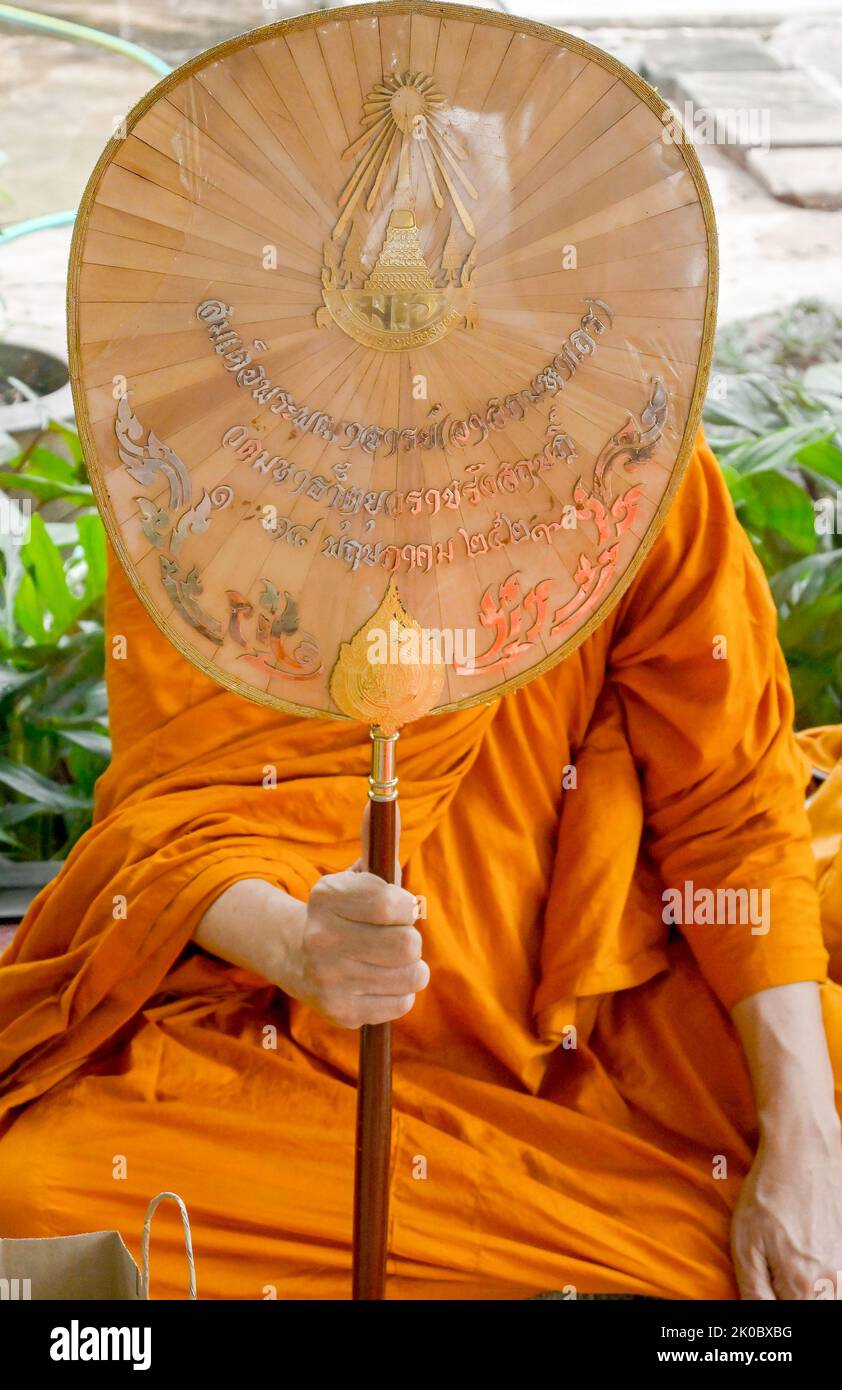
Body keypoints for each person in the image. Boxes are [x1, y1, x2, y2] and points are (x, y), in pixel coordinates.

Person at [1, 432, 841, 1300]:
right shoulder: (207, 445)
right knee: (42, 1199)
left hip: (586, 1042)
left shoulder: (626, 431)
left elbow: (732, 808)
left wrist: (804, 1140)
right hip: (288, 1040)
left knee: (795, 1206)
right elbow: (174, 816)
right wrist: (294, 945)